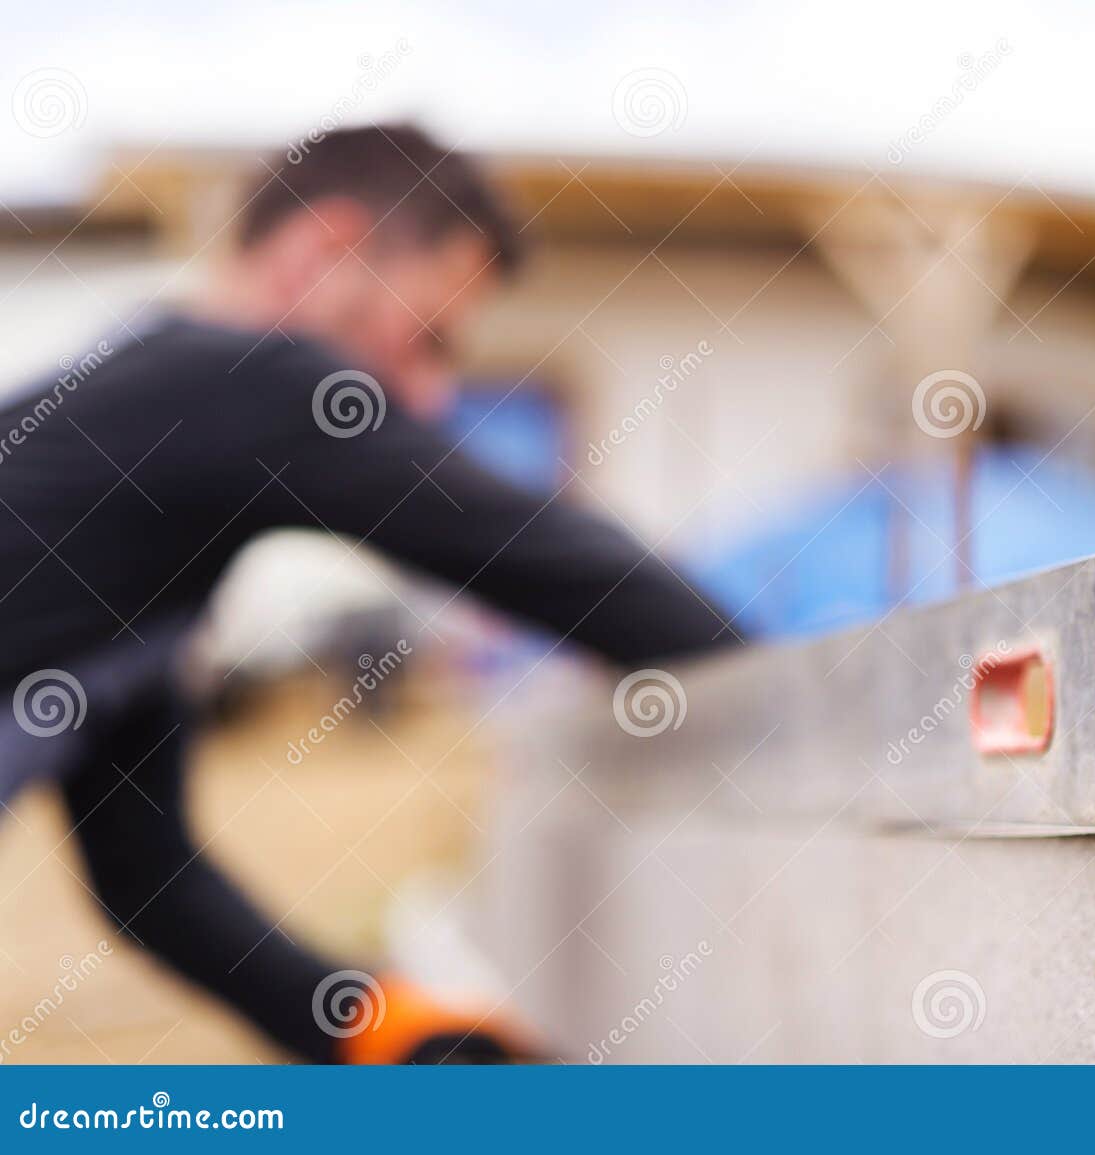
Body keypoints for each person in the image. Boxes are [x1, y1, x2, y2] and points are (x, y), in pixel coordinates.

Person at [0, 124, 739, 1062]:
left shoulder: (129, 519)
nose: (426, 397)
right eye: (427, 336)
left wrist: (404, 1041)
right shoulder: (247, 380)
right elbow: (551, 561)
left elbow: (153, 882)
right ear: (330, 248)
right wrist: (795, 686)